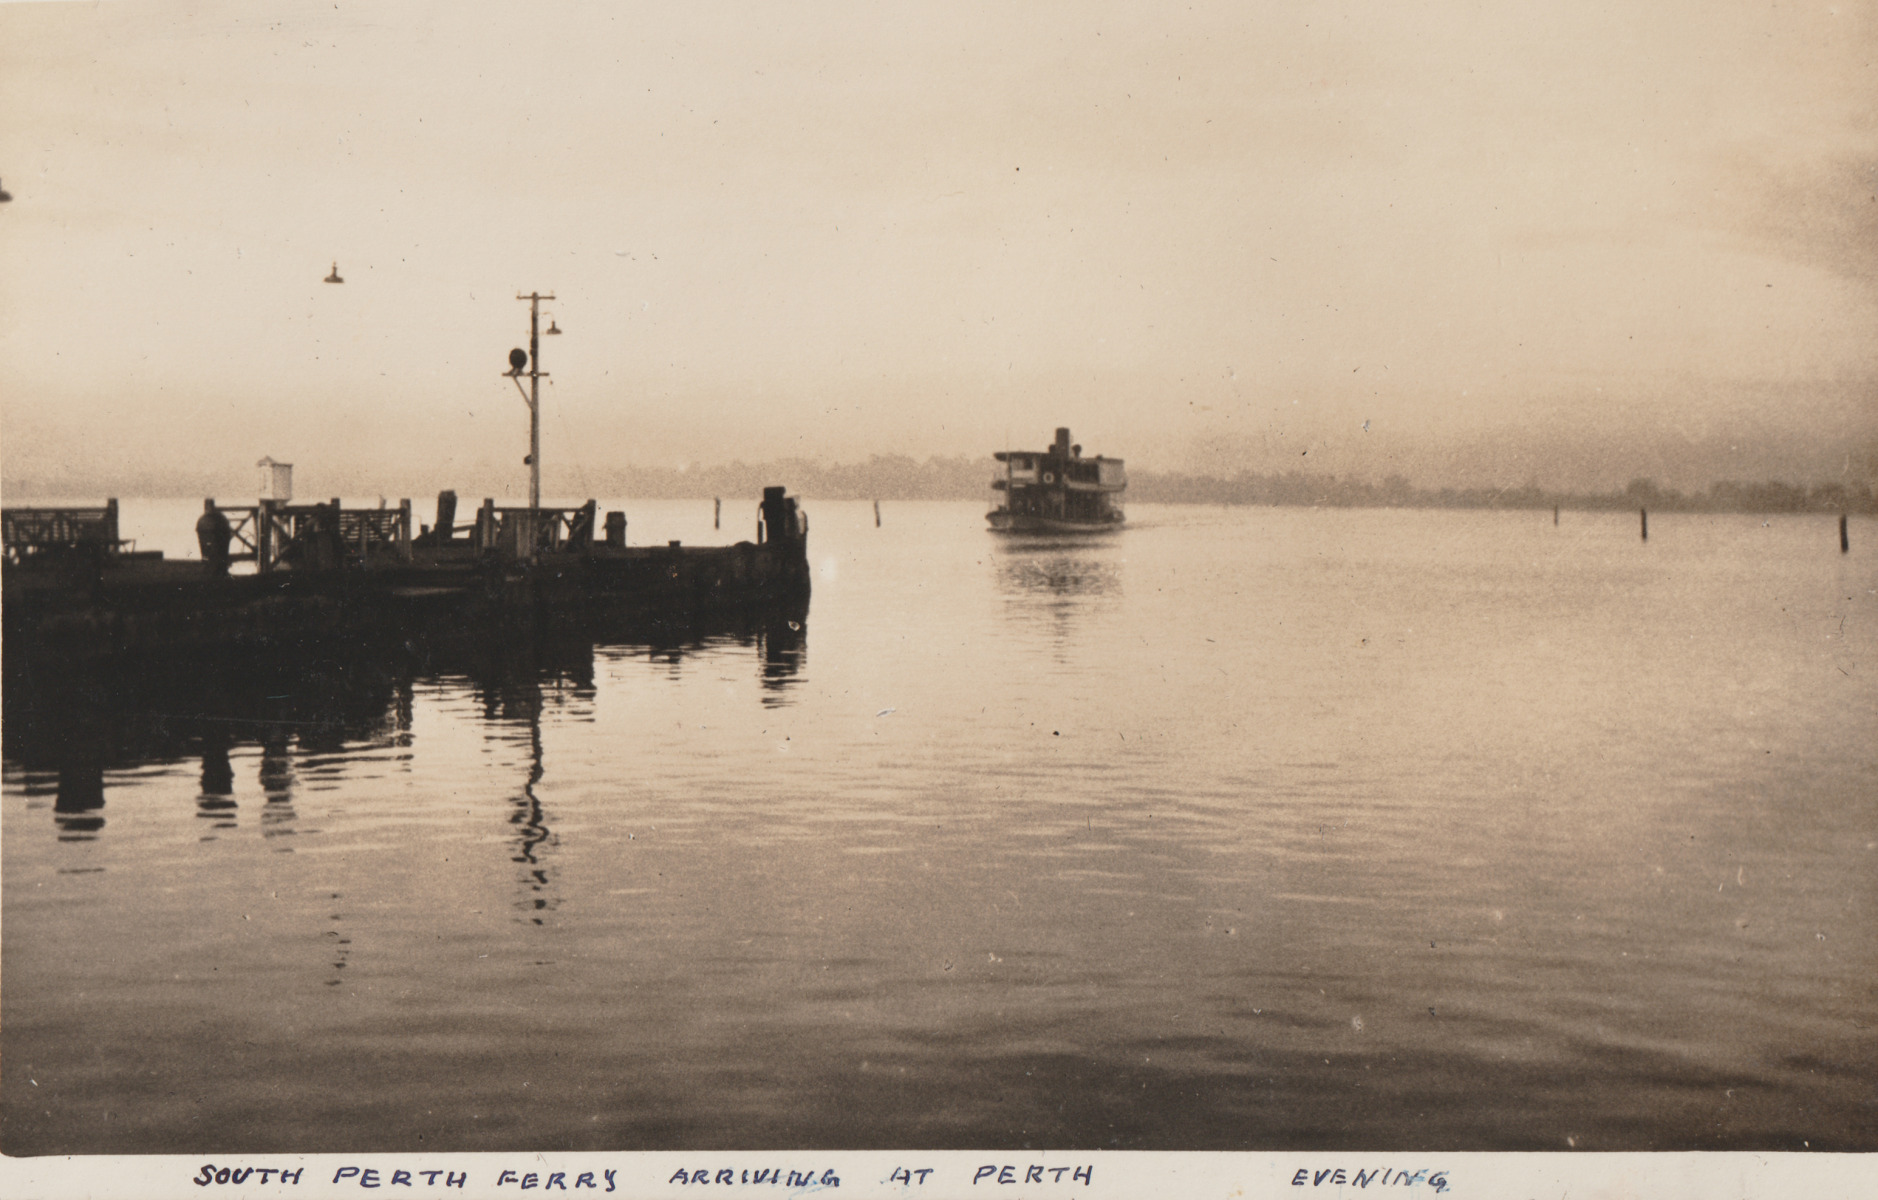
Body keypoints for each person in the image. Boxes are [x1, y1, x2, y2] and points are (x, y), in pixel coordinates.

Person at [195, 500, 233, 577]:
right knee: (221, 556)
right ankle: (220, 572)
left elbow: (200, 534)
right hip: (220, 537)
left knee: (207, 555)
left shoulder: (203, 519)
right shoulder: (221, 518)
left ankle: (211, 571)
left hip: (208, 537)